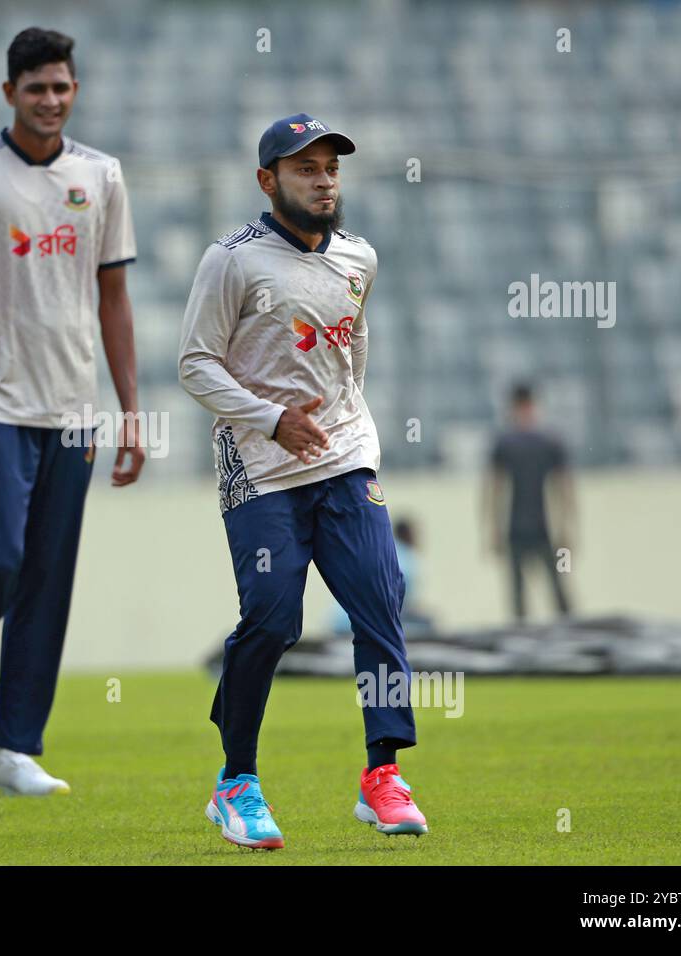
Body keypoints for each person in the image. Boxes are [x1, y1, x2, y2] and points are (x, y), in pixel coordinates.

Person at [179, 114, 427, 849]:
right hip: (260, 466)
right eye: (305, 169)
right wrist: (271, 418)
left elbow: (355, 342)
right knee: (273, 620)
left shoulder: (359, 257)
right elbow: (195, 364)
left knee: (380, 599)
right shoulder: (231, 260)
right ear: (268, 181)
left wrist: (347, 424)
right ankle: (237, 782)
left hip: (345, 458)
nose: (323, 181)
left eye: (331, 169)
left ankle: (381, 774)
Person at [0, 27, 142, 798]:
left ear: (75, 91)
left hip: (74, 410)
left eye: (63, 87)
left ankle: (11, 749)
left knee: (46, 576)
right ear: (8, 92)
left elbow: (114, 297)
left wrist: (130, 410)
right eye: (36, 87)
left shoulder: (102, 176)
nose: (50, 100)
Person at [483, 383, 575, 622]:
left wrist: (565, 528)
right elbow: (495, 488)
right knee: (518, 598)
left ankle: (572, 637)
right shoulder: (505, 443)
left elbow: (563, 487)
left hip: (547, 530)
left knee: (559, 593)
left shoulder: (550, 442)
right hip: (515, 529)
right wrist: (494, 528)